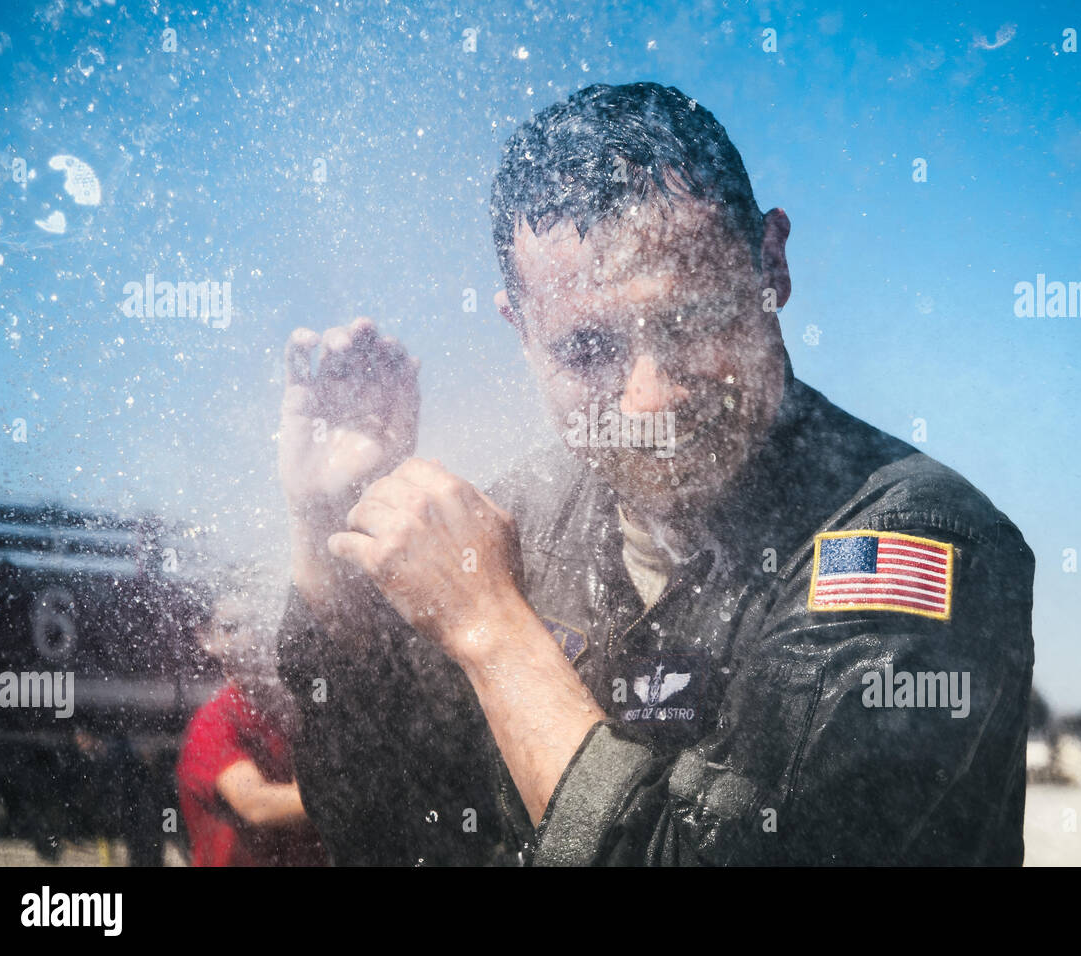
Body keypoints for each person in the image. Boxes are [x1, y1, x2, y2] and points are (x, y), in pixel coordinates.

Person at [275, 82, 1035, 866]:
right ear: (521, 331)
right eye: (588, 349)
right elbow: (387, 830)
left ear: (771, 261)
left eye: (693, 320)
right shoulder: (524, 524)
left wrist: (491, 635)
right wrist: (330, 536)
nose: (649, 402)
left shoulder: (908, 538)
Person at [177, 567, 327, 866]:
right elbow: (255, 804)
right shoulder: (213, 724)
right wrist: (344, 801)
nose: (249, 636)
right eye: (232, 627)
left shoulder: (299, 708)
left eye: (257, 621)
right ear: (208, 639)